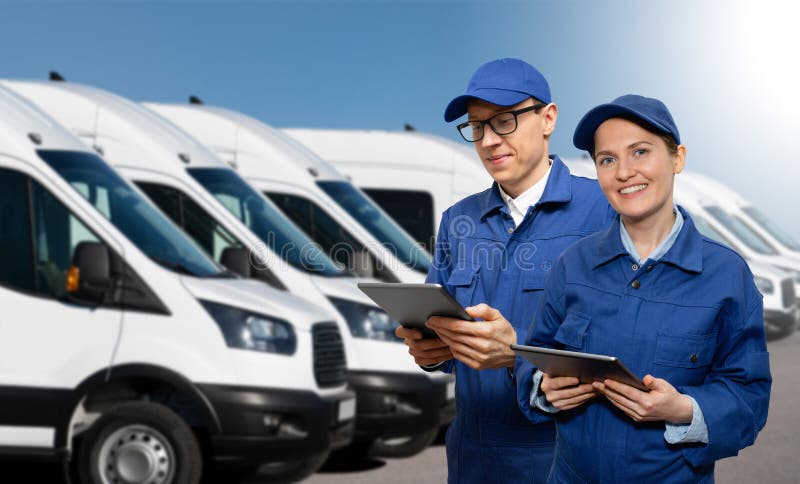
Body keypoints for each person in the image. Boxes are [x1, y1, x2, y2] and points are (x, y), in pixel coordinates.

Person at [516, 94, 772, 483]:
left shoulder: (726, 275)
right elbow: (532, 359)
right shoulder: (572, 264)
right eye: (607, 159)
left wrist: (684, 409)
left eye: (640, 152)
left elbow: (750, 397)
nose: (624, 172)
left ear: (678, 158)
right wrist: (542, 388)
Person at [395, 58, 615, 483]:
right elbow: (442, 323)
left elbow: (624, 349)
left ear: (548, 118)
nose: (489, 140)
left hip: (562, 460)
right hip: (472, 463)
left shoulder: (604, 214)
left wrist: (518, 355)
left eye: (504, 121)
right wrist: (429, 352)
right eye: (477, 127)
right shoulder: (460, 222)